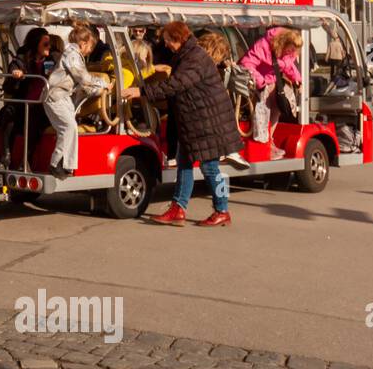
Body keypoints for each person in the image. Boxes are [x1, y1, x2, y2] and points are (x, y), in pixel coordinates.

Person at [123, 22, 241, 227]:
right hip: (196, 120)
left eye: (168, 39)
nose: (166, 44)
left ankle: (223, 210)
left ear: (178, 38)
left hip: (208, 121)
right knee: (185, 163)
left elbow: (177, 84)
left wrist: (141, 91)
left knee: (210, 167)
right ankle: (178, 208)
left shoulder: (194, 58)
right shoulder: (186, 55)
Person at [43, 25, 107, 179]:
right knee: (69, 127)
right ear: (83, 43)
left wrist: (96, 90)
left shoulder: (74, 55)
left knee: (69, 129)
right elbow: (83, 78)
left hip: (62, 97)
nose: (90, 50)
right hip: (55, 97)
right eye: (90, 46)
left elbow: (80, 84)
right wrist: (103, 84)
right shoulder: (72, 54)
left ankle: (67, 166)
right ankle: (55, 164)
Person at [239, 27, 303, 155]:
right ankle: (264, 141)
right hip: (258, 82)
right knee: (265, 110)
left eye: (295, 51)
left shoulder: (290, 50)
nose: (293, 53)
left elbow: (288, 65)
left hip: (273, 82)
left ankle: (269, 140)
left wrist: (297, 79)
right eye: (291, 49)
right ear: (284, 42)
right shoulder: (263, 45)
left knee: (278, 107)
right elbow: (247, 63)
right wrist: (260, 81)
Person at [196, 31, 250, 171]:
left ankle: (229, 151)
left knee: (207, 169)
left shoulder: (203, 63)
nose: (220, 60)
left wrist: (226, 67)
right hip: (203, 111)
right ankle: (229, 151)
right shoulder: (204, 66)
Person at [0, 27, 51, 167]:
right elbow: (15, 65)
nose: (49, 47)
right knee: (8, 114)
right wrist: (15, 72)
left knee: (33, 120)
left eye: (49, 44)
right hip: (24, 101)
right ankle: (6, 157)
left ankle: (25, 160)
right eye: (45, 44)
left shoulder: (52, 58)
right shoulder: (24, 55)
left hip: (43, 104)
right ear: (35, 44)